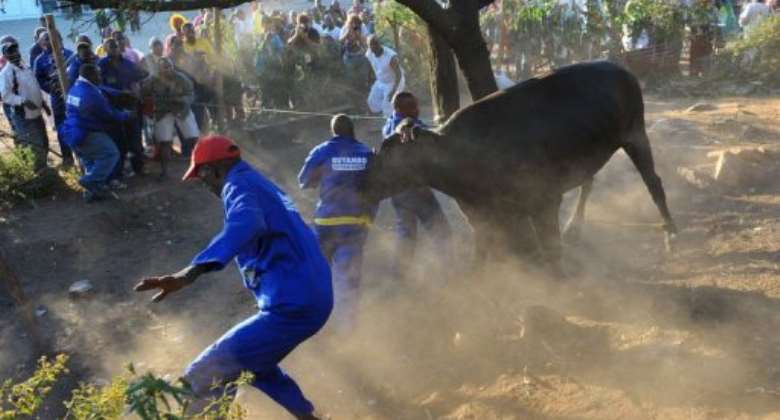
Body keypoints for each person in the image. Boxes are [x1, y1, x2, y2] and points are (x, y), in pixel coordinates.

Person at [135, 135, 332, 420]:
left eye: (201, 175)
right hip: (309, 297)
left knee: (206, 373)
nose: (203, 184)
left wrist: (191, 272)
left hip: (293, 304)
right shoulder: (261, 184)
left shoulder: (238, 184)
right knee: (254, 363)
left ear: (214, 168)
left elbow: (248, 224)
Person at [299, 114, 374, 331]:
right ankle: (346, 331)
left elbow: (303, 181)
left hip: (325, 222)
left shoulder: (321, 151)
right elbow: (377, 186)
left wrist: (323, 177)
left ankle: (314, 324)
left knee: (319, 274)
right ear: (353, 131)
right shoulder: (366, 153)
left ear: (333, 132)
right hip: (354, 224)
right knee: (347, 278)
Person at [382, 92, 451, 276]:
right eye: (411, 107)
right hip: (415, 189)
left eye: (416, 105)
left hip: (399, 191)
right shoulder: (404, 127)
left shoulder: (391, 122)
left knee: (407, 235)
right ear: (399, 109)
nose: (417, 110)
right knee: (441, 230)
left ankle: (398, 276)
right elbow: (409, 130)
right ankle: (450, 272)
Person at [61, 64, 127, 202]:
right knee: (111, 153)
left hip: (73, 132)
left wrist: (119, 93)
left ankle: (91, 194)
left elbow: (101, 89)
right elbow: (109, 115)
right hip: (86, 132)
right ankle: (88, 180)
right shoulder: (90, 95)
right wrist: (126, 115)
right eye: (97, 74)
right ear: (89, 75)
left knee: (90, 161)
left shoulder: (76, 87)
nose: (100, 76)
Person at [98, 38, 149, 184]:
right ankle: (119, 172)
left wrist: (138, 88)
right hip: (113, 109)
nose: (114, 48)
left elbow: (142, 75)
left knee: (135, 138)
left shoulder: (128, 63)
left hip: (131, 106)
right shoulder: (101, 65)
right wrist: (118, 92)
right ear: (105, 49)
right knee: (118, 141)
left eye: (115, 46)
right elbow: (98, 85)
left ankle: (139, 167)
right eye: (110, 46)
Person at [141, 58, 199, 178]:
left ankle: (199, 164)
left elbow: (191, 94)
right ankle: (165, 171)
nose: (168, 69)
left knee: (193, 138)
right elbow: (144, 91)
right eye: (165, 67)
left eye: (170, 67)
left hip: (182, 110)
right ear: (159, 69)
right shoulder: (153, 79)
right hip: (163, 111)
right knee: (164, 142)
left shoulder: (182, 78)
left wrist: (182, 100)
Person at [0, 41, 50, 170]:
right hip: (23, 115)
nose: (14, 53)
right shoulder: (6, 73)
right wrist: (23, 101)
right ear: (5, 55)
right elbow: (5, 96)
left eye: (15, 49)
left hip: (37, 113)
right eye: (10, 51)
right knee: (35, 145)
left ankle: (45, 169)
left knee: (44, 142)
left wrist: (43, 104)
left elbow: (34, 87)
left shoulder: (25, 66)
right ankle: (40, 173)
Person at [34, 30, 75, 167]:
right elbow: (38, 79)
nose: (48, 41)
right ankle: (68, 158)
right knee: (62, 127)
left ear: (59, 38)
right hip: (57, 99)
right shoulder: (39, 61)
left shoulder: (70, 55)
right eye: (45, 39)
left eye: (51, 37)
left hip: (74, 96)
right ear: (41, 43)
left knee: (79, 124)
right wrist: (50, 87)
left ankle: (84, 157)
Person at [366, 36, 404, 117]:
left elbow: (399, 75)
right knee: (372, 101)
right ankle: (388, 113)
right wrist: (369, 79)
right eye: (371, 45)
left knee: (387, 105)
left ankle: (391, 119)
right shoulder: (370, 53)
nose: (373, 47)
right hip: (380, 81)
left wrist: (393, 91)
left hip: (393, 82)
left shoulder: (391, 57)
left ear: (380, 44)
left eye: (375, 44)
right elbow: (371, 64)